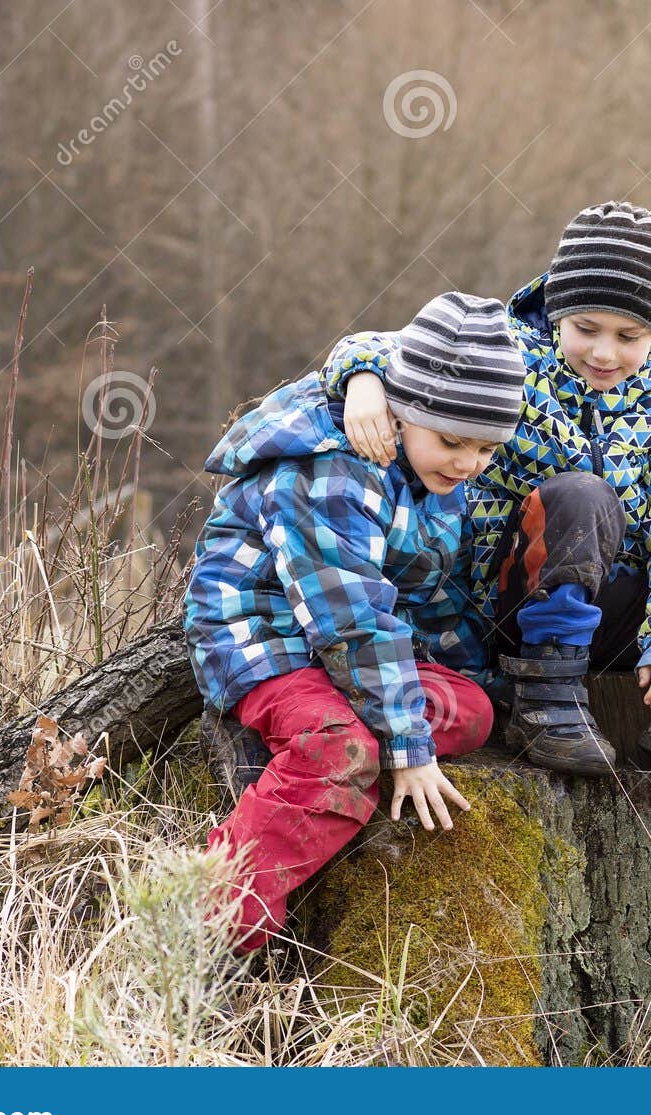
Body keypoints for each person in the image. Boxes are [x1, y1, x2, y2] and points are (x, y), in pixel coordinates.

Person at [323, 202, 651, 777]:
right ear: (557, 309)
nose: (604, 353)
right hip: (521, 600)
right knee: (583, 494)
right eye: (586, 329)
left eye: (628, 335)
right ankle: (546, 702)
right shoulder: (506, 355)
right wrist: (360, 379)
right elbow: (390, 347)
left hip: (631, 615)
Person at [184, 291, 526, 955]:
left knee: (475, 711)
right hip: (264, 635)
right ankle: (210, 921)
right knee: (339, 751)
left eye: (486, 449)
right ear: (400, 411)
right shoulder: (332, 469)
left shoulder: (437, 477)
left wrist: (493, 685)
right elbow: (354, 621)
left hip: (340, 645)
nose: (466, 464)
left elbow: (426, 595)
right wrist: (407, 744)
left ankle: (362, 717)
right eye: (453, 442)